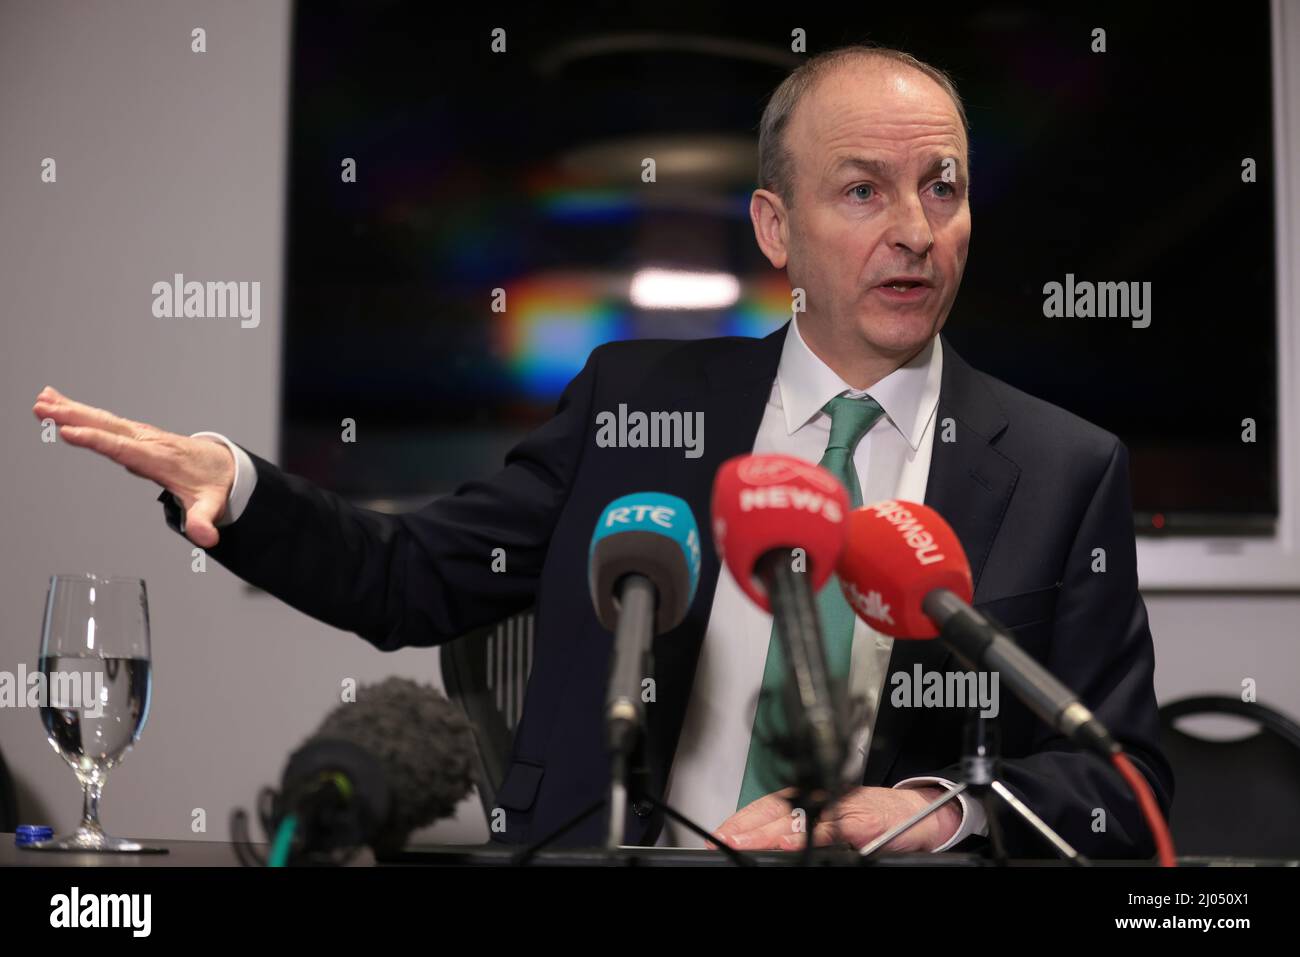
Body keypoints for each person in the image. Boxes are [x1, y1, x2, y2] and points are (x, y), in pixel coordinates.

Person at [31, 44, 1172, 857]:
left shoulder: (1065, 468)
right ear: (777, 231)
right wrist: (235, 486)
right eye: (863, 191)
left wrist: (935, 808)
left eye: (943, 188)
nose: (914, 232)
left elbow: (1120, 784)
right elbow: (414, 577)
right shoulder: (638, 402)